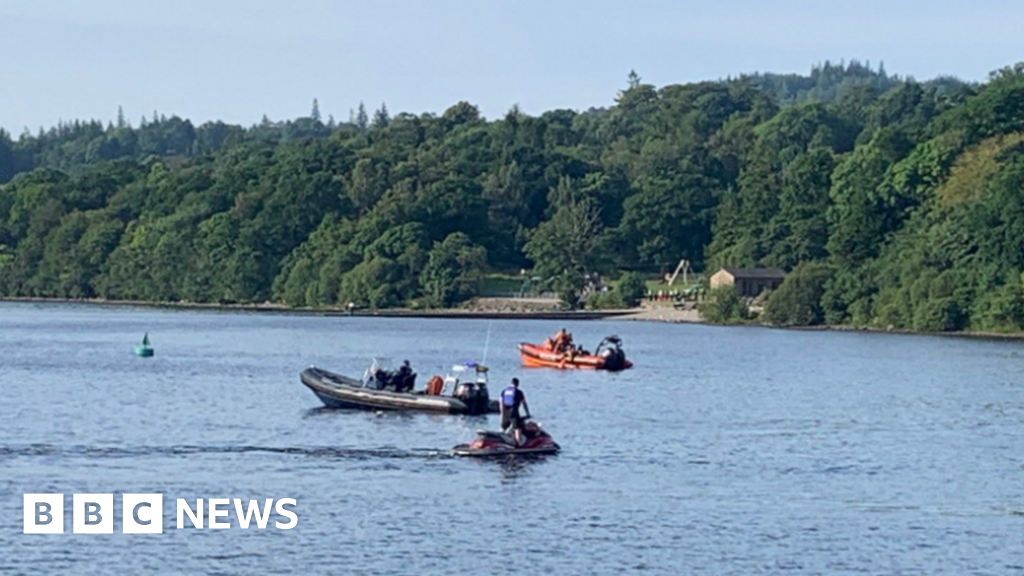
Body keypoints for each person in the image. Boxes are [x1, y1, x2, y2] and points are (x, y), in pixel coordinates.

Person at [500, 377, 530, 446]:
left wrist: (502, 414)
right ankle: (518, 444)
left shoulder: (504, 391)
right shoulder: (518, 392)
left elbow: (501, 403)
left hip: (505, 412)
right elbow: (524, 403)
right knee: (517, 428)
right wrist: (527, 413)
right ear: (517, 384)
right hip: (514, 412)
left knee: (504, 427)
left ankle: (502, 442)